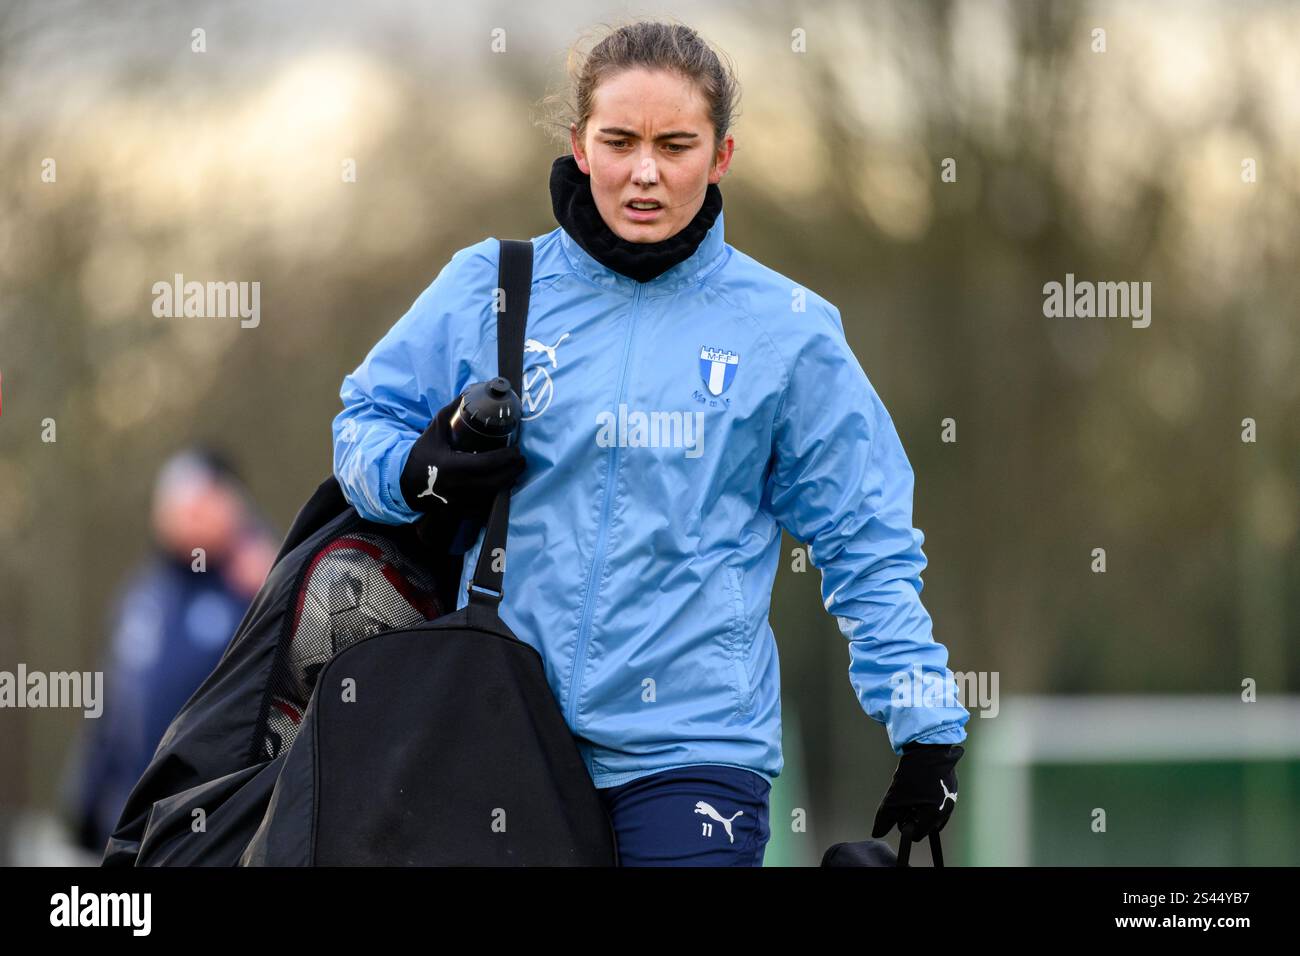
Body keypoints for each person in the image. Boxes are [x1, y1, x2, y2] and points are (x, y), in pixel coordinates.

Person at [332, 20, 969, 866]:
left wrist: (923, 723)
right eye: (620, 140)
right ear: (580, 146)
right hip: (500, 722)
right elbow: (359, 426)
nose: (645, 171)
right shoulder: (488, 286)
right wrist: (416, 471)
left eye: (676, 144)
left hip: (695, 750)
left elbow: (868, 543)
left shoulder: (789, 332)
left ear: (722, 155)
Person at [62, 446, 277, 854]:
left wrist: (270, 577)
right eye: (175, 497)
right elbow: (111, 711)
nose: (184, 509)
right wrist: (85, 804)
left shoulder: (254, 587)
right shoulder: (142, 596)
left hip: (217, 831)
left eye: (200, 496)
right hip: (131, 829)